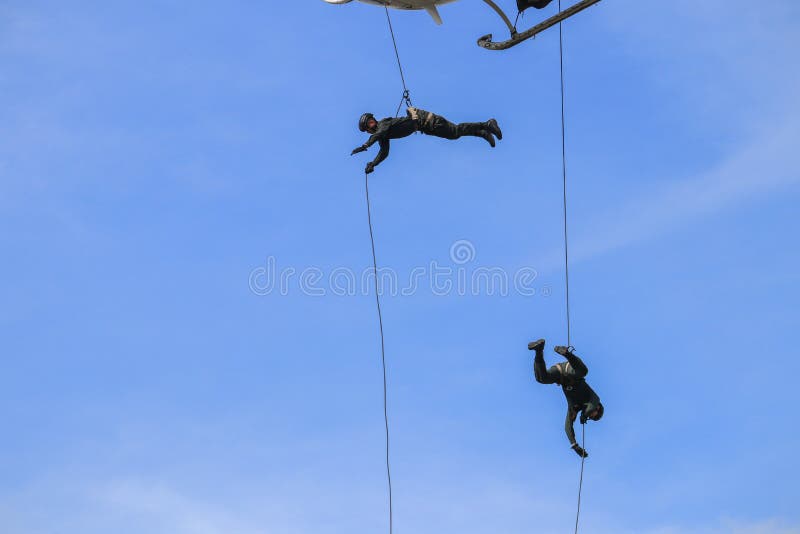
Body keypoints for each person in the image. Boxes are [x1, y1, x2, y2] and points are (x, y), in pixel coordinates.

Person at [351, 108, 503, 174]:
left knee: (455, 131)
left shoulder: (383, 124)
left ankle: (487, 124)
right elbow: (384, 152)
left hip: (426, 120)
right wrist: (373, 164)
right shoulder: (381, 135)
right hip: (425, 127)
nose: (373, 123)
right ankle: (482, 132)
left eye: (371, 120)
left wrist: (365, 145)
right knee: (454, 135)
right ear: (368, 129)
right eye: (369, 123)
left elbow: (379, 134)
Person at [527, 339, 604, 458]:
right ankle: (567, 353)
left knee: (542, 378)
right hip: (571, 370)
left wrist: (575, 445)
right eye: (593, 415)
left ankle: (539, 350)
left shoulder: (574, 408)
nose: (590, 416)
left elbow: (567, 426)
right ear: (598, 408)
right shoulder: (593, 399)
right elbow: (592, 405)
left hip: (559, 374)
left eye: (590, 417)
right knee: (583, 371)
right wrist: (585, 414)